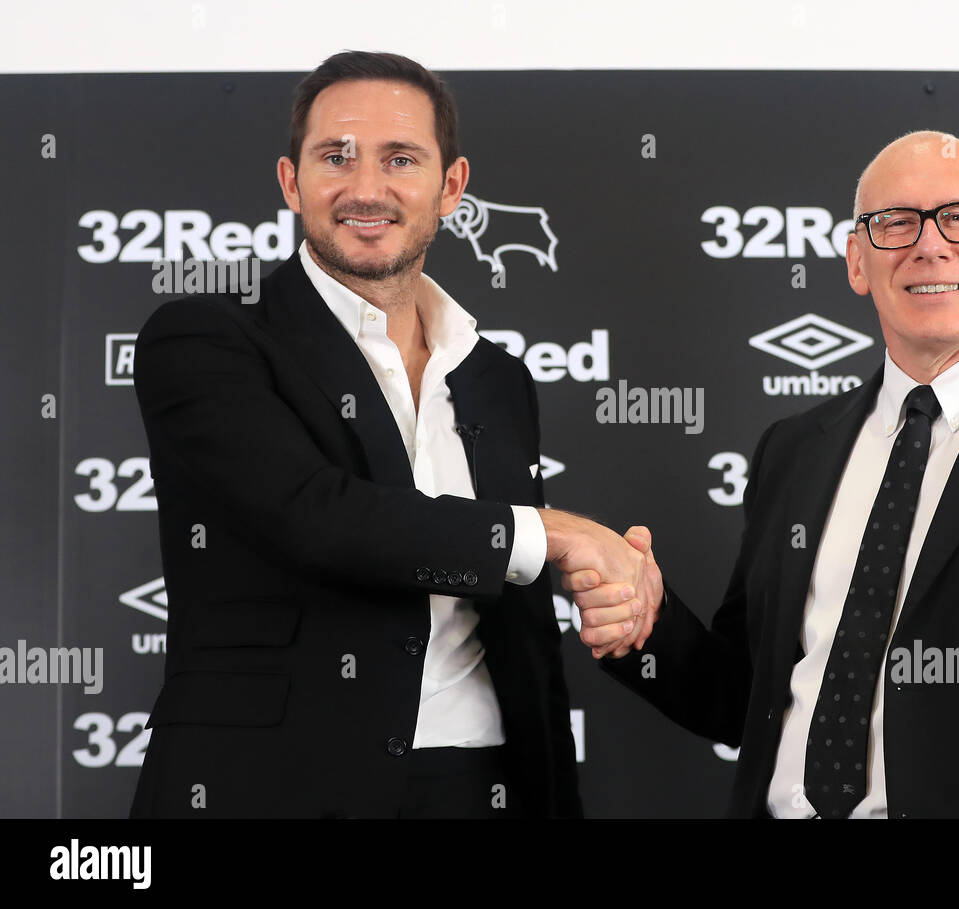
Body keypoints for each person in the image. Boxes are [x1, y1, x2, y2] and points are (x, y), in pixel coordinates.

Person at [572, 131, 959, 818]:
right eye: (895, 222)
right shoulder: (792, 450)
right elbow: (747, 697)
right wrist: (649, 626)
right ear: (857, 260)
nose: (930, 244)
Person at [129, 51, 650, 819]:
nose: (365, 188)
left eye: (399, 158)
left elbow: (517, 622)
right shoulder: (205, 338)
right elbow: (317, 516)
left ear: (450, 188)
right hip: (269, 790)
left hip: (487, 785)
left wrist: (622, 588)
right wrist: (551, 534)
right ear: (290, 181)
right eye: (335, 156)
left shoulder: (496, 376)